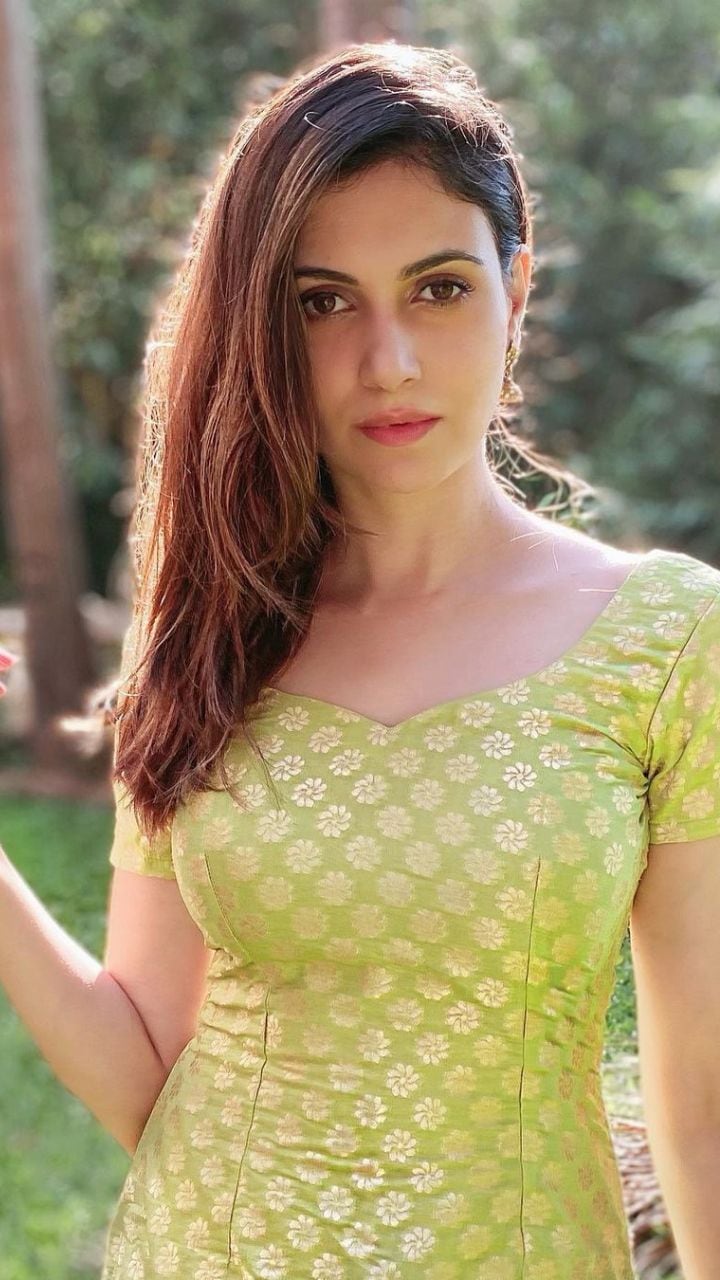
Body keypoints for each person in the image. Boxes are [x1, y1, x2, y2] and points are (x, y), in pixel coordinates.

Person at [2, 39, 720, 1280]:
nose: (387, 359)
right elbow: (142, 1073)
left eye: (438, 287)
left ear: (517, 291)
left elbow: (704, 1104)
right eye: (322, 301)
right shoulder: (211, 629)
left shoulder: (667, 641)